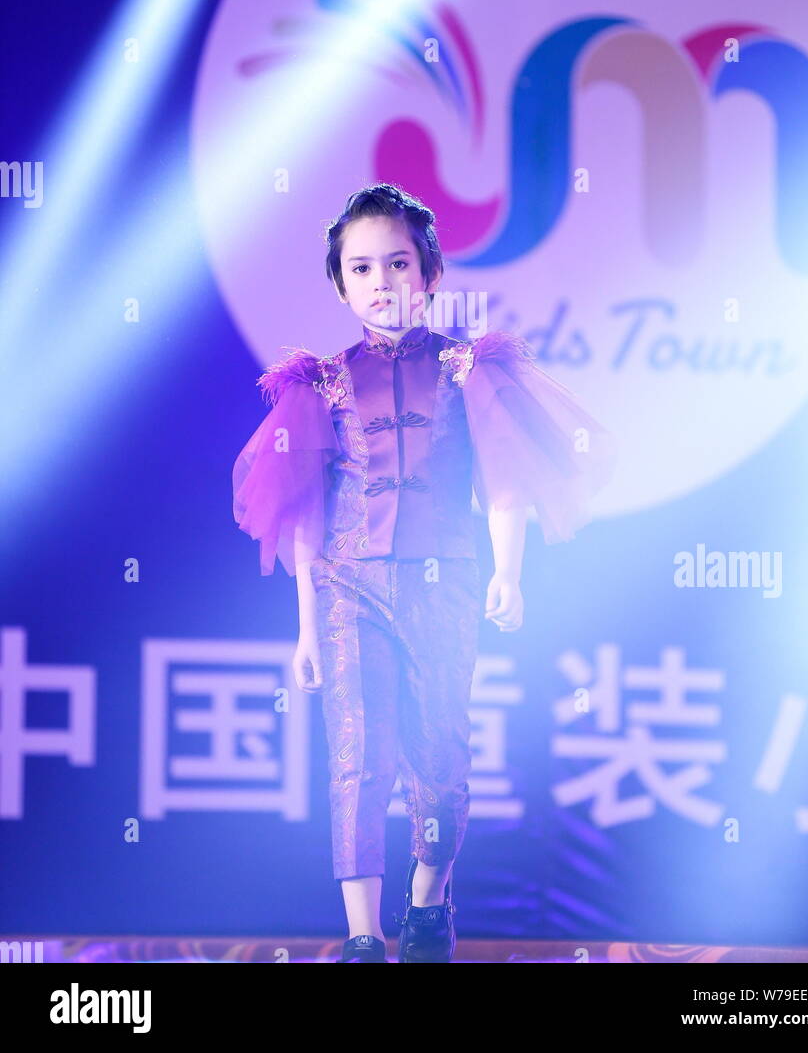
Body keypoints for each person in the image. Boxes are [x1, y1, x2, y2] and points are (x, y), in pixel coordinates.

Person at [232, 183, 616, 962]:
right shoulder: (320, 385)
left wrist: (510, 571)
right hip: (347, 586)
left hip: (445, 583)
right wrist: (305, 626)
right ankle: (363, 936)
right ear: (340, 284)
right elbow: (303, 514)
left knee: (439, 758)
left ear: (431, 272)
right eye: (362, 267)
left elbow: (503, 479)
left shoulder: (469, 368)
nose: (382, 281)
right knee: (357, 755)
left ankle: (427, 901)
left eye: (398, 263)